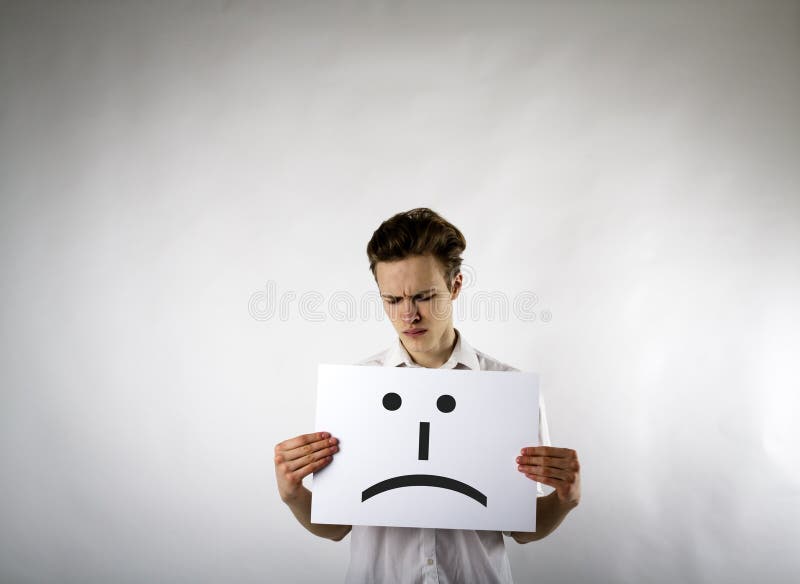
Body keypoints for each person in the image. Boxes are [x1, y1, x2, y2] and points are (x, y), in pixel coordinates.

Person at [274, 208, 581, 583]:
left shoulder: (508, 388)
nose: (408, 315)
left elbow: (522, 527)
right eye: (392, 300)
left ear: (455, 286)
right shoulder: (355, 390)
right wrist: (293, 494)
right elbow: (337, 527)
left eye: (423, 296)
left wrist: (564, 500)